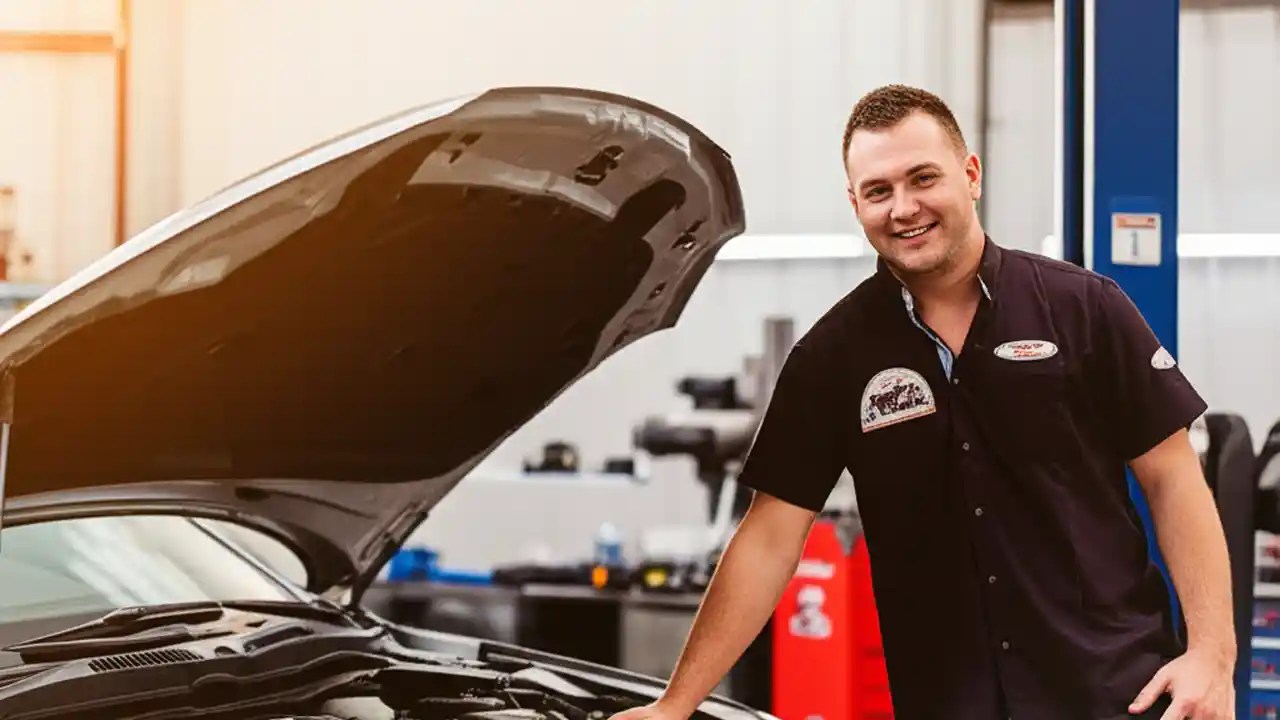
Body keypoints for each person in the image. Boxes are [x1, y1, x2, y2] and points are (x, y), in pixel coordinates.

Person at [608, 85, 1236, 720]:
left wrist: (1212, 656)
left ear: (971, 175)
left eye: (923, 178)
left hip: (1113, 695)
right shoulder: (832, 357)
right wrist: (675, 705)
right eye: (878, 190)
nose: (903, 208)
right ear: (856, 203)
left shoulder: (1084, 309)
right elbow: (769, 538)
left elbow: (1173, 479)